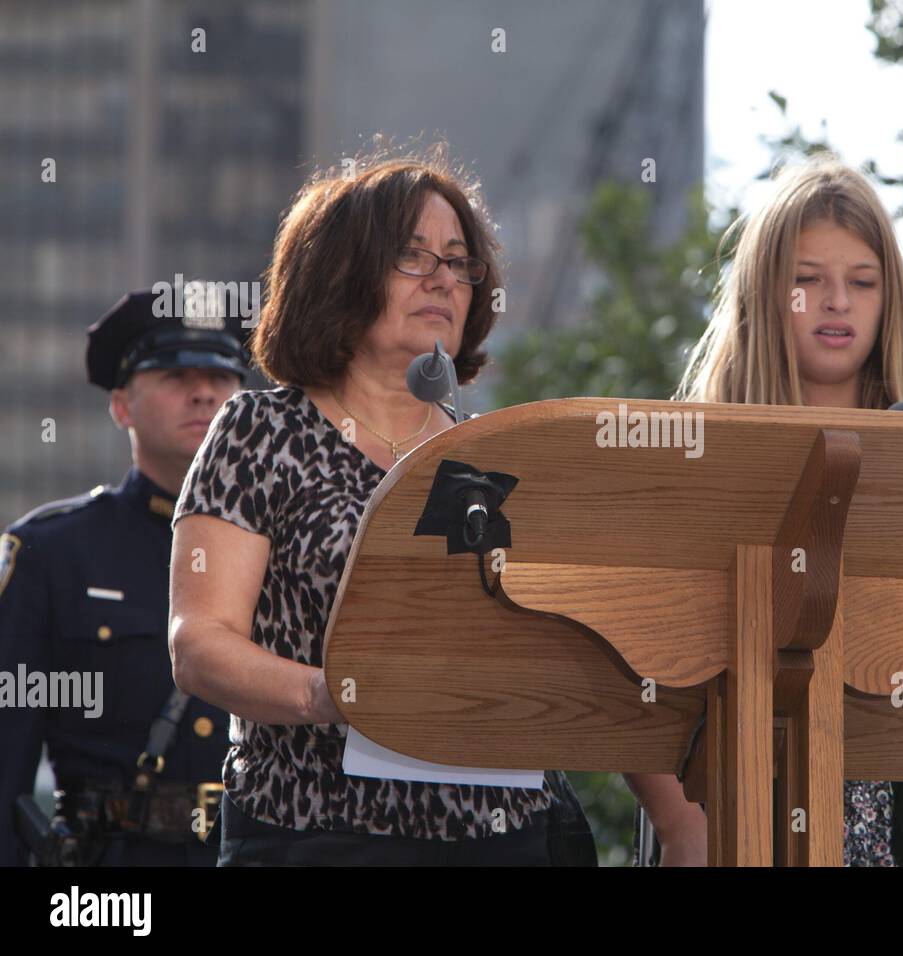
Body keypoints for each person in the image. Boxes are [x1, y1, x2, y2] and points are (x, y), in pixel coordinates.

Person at [168, 148, 594, 866]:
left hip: (501, 837)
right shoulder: (260, 432)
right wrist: (331, 696)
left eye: (459, 262)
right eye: (411, 256)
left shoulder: (490, 459)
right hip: (318, 837)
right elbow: (199, 644)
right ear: (341, 273)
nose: (442, 279)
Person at [628, 155, 903, 866]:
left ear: (890, 300)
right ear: (764, 294)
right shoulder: (695, 454)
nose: (837, 301)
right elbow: (632, 658)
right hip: (732, 825)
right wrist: (682, 828)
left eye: (862, 282)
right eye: (807, 281)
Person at [0, 288, 246, 866]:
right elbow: (7, 761)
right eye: (174, 374)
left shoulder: (285, 548)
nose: (203, 391)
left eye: (222, 375)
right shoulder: (51, 552)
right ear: (121, 406)